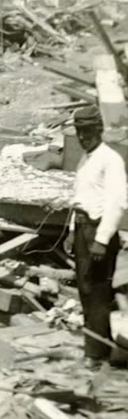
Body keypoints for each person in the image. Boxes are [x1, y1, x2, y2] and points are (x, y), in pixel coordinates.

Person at [69, 106, 128, 366]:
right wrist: (72, 231)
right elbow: (80, 199)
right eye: (80, 132)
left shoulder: (111, 159)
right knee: (85, 289)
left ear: (100, 130)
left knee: (98, 292)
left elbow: (117, 203)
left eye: (89, 132)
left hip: (98, 231)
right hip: (83, 229)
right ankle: (93, 346)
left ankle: (97, 353)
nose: (84, 137)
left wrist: (102, 240)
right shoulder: (86, 158)